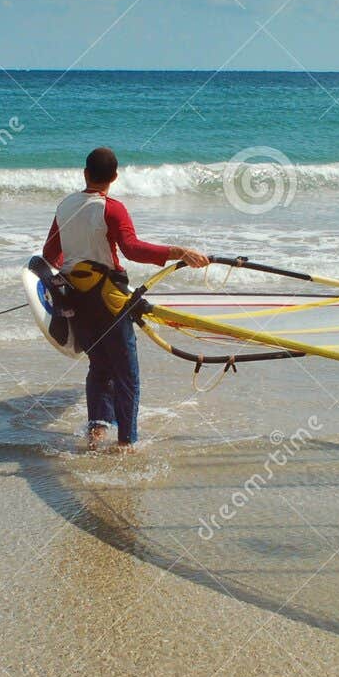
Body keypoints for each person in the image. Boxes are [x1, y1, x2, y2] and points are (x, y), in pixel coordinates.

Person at [43, 147, 209, 450]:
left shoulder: (64, 206)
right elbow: (131, 249)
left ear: (85, 173)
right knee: (126, 374)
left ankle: (96, 433)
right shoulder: (111, 208)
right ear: (115, 177)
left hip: (76, 300)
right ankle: (125, 444)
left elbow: (49, 255)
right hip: (109, 301)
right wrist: (178, 251)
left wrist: (77, 264)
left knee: (99, 366)